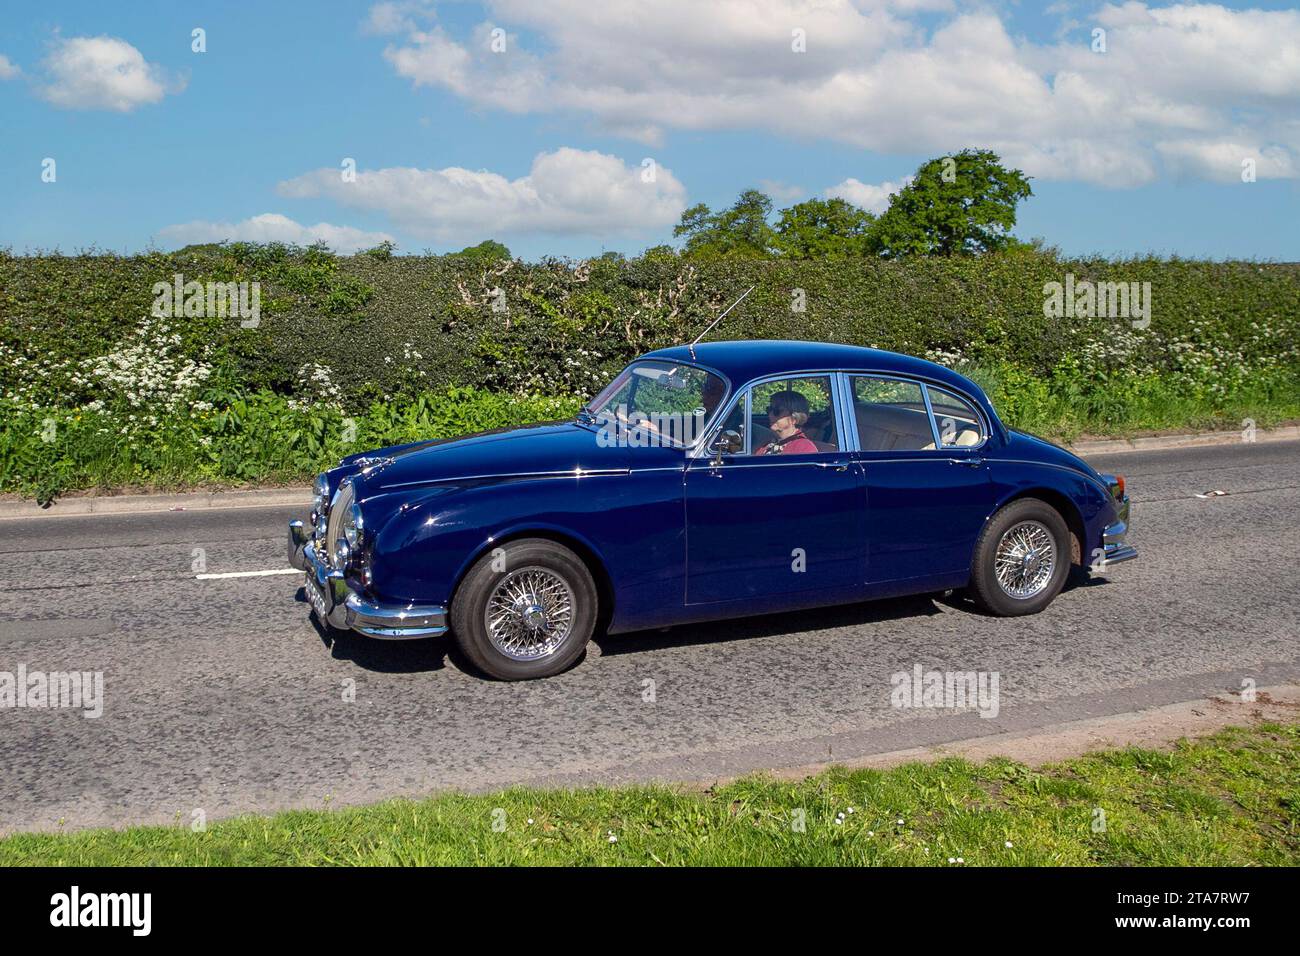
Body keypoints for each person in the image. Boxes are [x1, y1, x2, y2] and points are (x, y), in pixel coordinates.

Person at [756, 390, 818, 455]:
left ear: (794, 418)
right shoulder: (771, 442)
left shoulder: (804, 448)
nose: (770, 415)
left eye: (776, 411)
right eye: (769, 409)